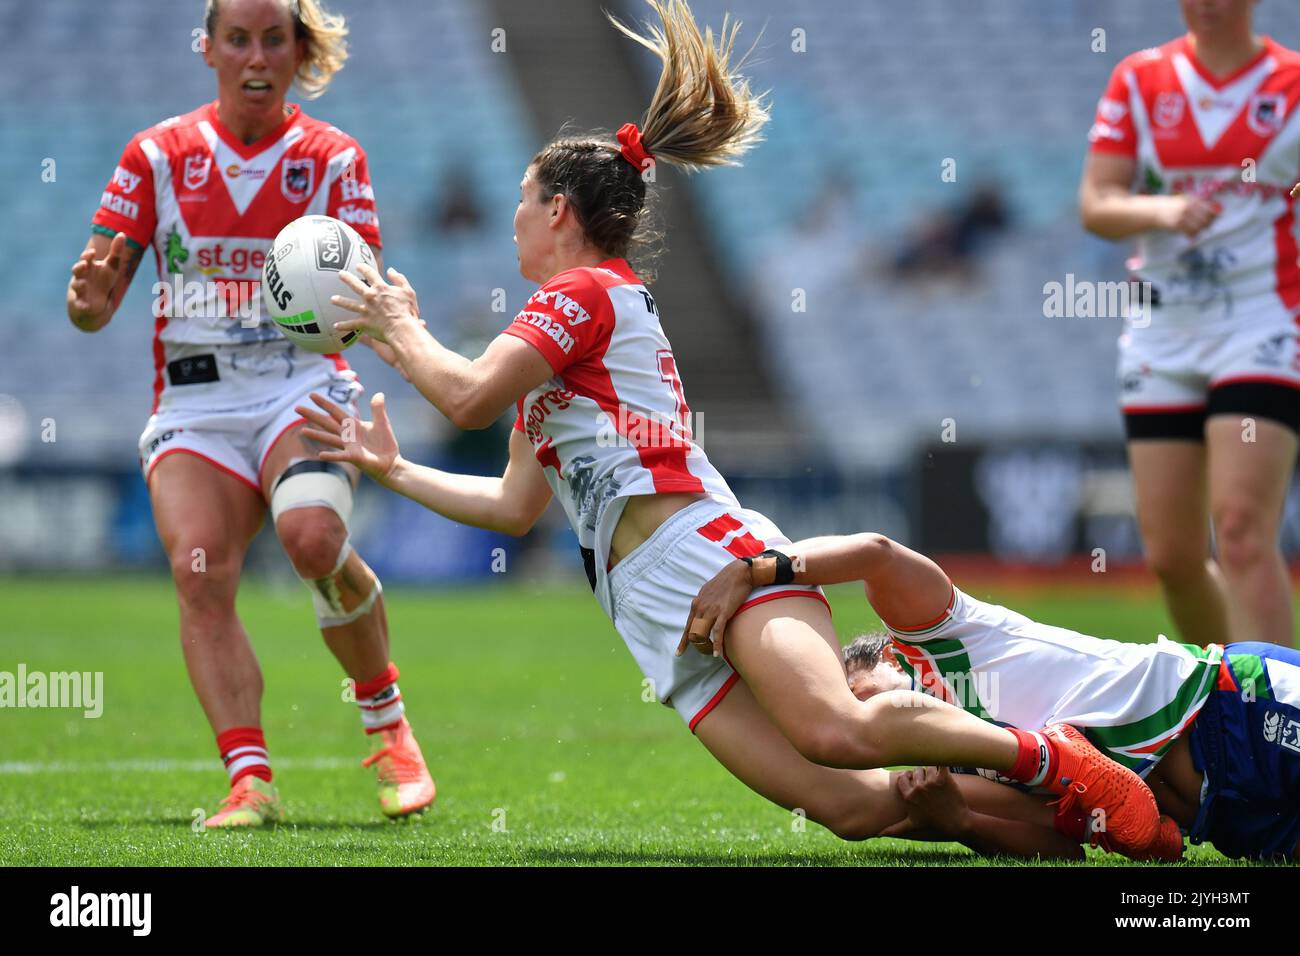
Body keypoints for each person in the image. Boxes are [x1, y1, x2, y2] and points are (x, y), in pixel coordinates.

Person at [295, 0, 1165, 854]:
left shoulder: (584, 294)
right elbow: (516, 507)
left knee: (835, 729)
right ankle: (1062, 815)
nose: (514, 214)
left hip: (706, 554)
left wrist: (389, 325)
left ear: (559, 210)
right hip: (646, 615)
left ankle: (1059, 764)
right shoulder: (552, 342)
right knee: (860, 809)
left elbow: (468, 397)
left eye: (525, 198)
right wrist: (396, 468)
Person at [64, 0, 434, 827]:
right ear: (210, 49)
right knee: (200, 567)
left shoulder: (334, 159)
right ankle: (249, 781)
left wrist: (385, 308)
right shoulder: (157, 155)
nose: (256, 57)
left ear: (300, 50)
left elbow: (360, 298)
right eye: (239, 39)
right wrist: (87, 301)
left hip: (299, 384)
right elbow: (97, 297)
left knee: (312, 539)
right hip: (196, 403)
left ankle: (388, 724)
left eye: (275, 39)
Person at [685, 532, 1300, 861]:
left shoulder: (940, 631)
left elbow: (876, 555)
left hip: (1232, 702)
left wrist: (754, 570)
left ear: (892, 658)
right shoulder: (963, 763)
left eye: (859, 696)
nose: (865, 725)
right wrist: (961, 822)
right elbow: (1060, 848)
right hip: (1228, 819)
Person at [1079, 0, 1300, 648]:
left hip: (1264, 319)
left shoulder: (1292, 85)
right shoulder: (1141, 80)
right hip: (1164, 330)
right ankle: (1225, 688)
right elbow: (1097, 203)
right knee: (1172, 558)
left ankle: (1278, 724)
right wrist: (1165, 209)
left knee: (1238, 529)